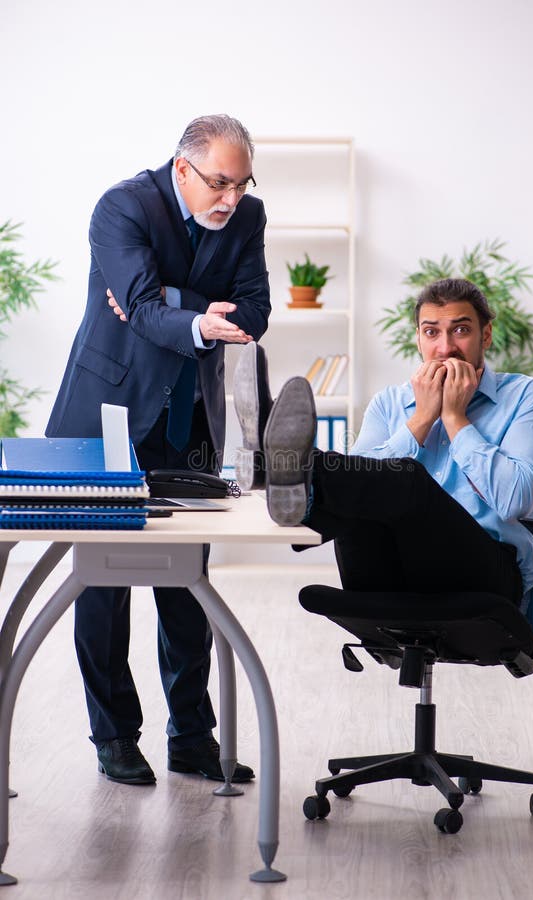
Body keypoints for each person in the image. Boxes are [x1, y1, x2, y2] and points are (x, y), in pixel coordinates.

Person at [47, 114, 270, 785]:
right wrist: (187, 309)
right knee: (103, 585)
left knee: (186, 585)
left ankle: (192, 738)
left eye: (242, 183)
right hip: (107, 414)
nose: (231, 198)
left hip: (190, 419)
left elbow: (254, 313)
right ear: (182, 168)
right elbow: (138, 309)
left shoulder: (247, 217)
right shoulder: (123, 207)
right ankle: (114, 735)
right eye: (219, 182)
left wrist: (176, 299)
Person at [233, 279, 533, 612]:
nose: (445, 347)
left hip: (490, 576)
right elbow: (356, 486)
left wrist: (454, 417)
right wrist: (421, 419)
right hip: (392, 568)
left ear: (486, 335)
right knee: (366, 488)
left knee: (406, 477)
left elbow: (514, 501)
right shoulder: (389, 403)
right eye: (431, 332)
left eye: (461, 330)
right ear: (419, 339)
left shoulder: (530, 398)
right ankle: (291, 474)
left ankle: (278, 467)